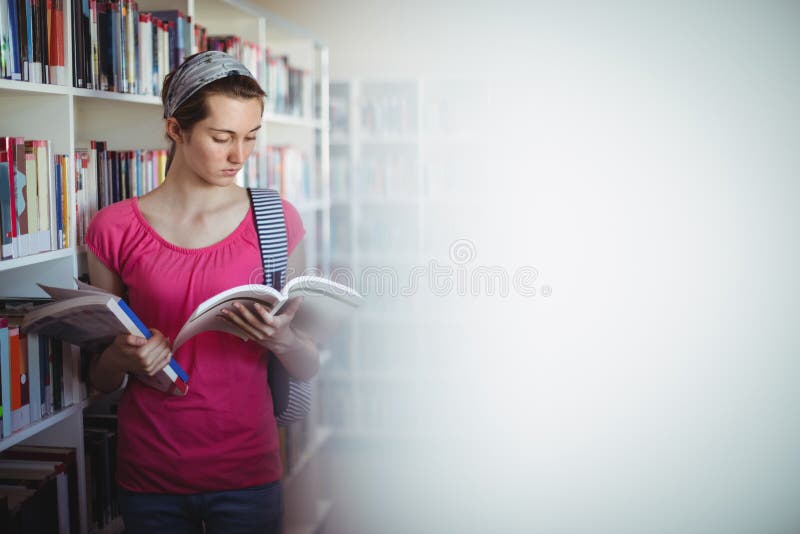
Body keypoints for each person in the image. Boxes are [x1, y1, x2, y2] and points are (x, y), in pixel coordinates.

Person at [85, 51, 320, 534]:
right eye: (222, 138)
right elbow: (98, 379)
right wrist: (124, 357)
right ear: (176, 130)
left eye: (250, 138)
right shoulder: (113, 228)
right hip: (149, 476)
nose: (240, 156)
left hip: (248, 473)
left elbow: (308, 364)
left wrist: (282, 341)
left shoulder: (275, 221)